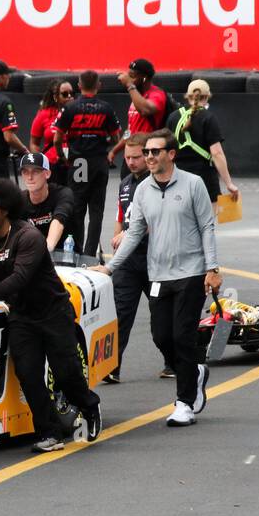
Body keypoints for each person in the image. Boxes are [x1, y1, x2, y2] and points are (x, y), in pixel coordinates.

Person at [0, 178, 101, 452]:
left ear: (5, 209)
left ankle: (89, 406)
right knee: (29, 375)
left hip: (53, 312)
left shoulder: (28, 236)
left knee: (65, 374)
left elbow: (19, 279)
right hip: (21, 316)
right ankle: (50, 433)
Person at [92, 129, 221, 427]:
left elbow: (207, 227)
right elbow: (135, 232)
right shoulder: (142, 190)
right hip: (159, 274)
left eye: (155, 152)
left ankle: (184, 403)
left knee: (182, 336)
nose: (148, 157)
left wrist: (212, 268)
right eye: (146, 152)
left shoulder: (193, 184)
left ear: (171, 154)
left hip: (191, 271)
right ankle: (195, 373)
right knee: (161, 336)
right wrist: (110, 268)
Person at [105, 134, 173, 383]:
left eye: (137, 157)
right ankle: (112, 366)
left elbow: (158, 218)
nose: (132, 162)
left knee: (161, 317)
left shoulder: (157, 183)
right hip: (129, 261)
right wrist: (116, 245)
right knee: (120, 313)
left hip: (155, 260)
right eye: (128, 158)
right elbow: (120, 215)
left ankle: (172, 361)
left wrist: (128, 233)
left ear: (147, 156)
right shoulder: (124, 183)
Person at [53, 69, 121, 257]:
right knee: (97, 210)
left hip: (79, 162)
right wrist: (111, 152)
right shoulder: (106, 108)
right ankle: (90, 254)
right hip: (99, 162)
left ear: (79, 86)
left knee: (78, 207)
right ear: (98, 86)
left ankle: (76, 250)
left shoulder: (70, 108)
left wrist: (61, 156)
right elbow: (116, 137)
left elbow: (57, 138)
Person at [165, 79, 240, 215]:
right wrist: (229, 183)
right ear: (206, 97)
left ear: (187, 96)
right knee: (206, 226)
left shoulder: (173, 117)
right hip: (204, 178)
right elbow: (216, 153)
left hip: (177, 177)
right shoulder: (208, 118)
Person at [110, 58, 169, 176]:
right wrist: (114, 150)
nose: (129, 79)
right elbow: (129, 131)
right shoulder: (136, 97)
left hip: (147, 156)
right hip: (131, 155)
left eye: (132, 76)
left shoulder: (156, 94)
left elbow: (145, 110)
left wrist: (129, 85)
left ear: (144, 78)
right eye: (128, 75)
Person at [17, 152, 75, 252]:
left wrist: (46, 251)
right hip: (32, 256)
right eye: (25, 172)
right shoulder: (19, 200)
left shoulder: (63, 194)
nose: (30, 177)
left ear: (47, 174)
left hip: (66, 256)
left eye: (35, 172)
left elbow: (58, 221)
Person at [29, 78, 74, 187]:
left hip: (77, 163)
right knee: (54, 196)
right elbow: (34, 143)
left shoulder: (79, 112)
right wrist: (39, 162)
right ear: (55, 97)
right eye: (64, 94)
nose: (69, 96)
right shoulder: (44, 114)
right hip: (53, 165)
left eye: (72, 93)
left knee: (78, 198)